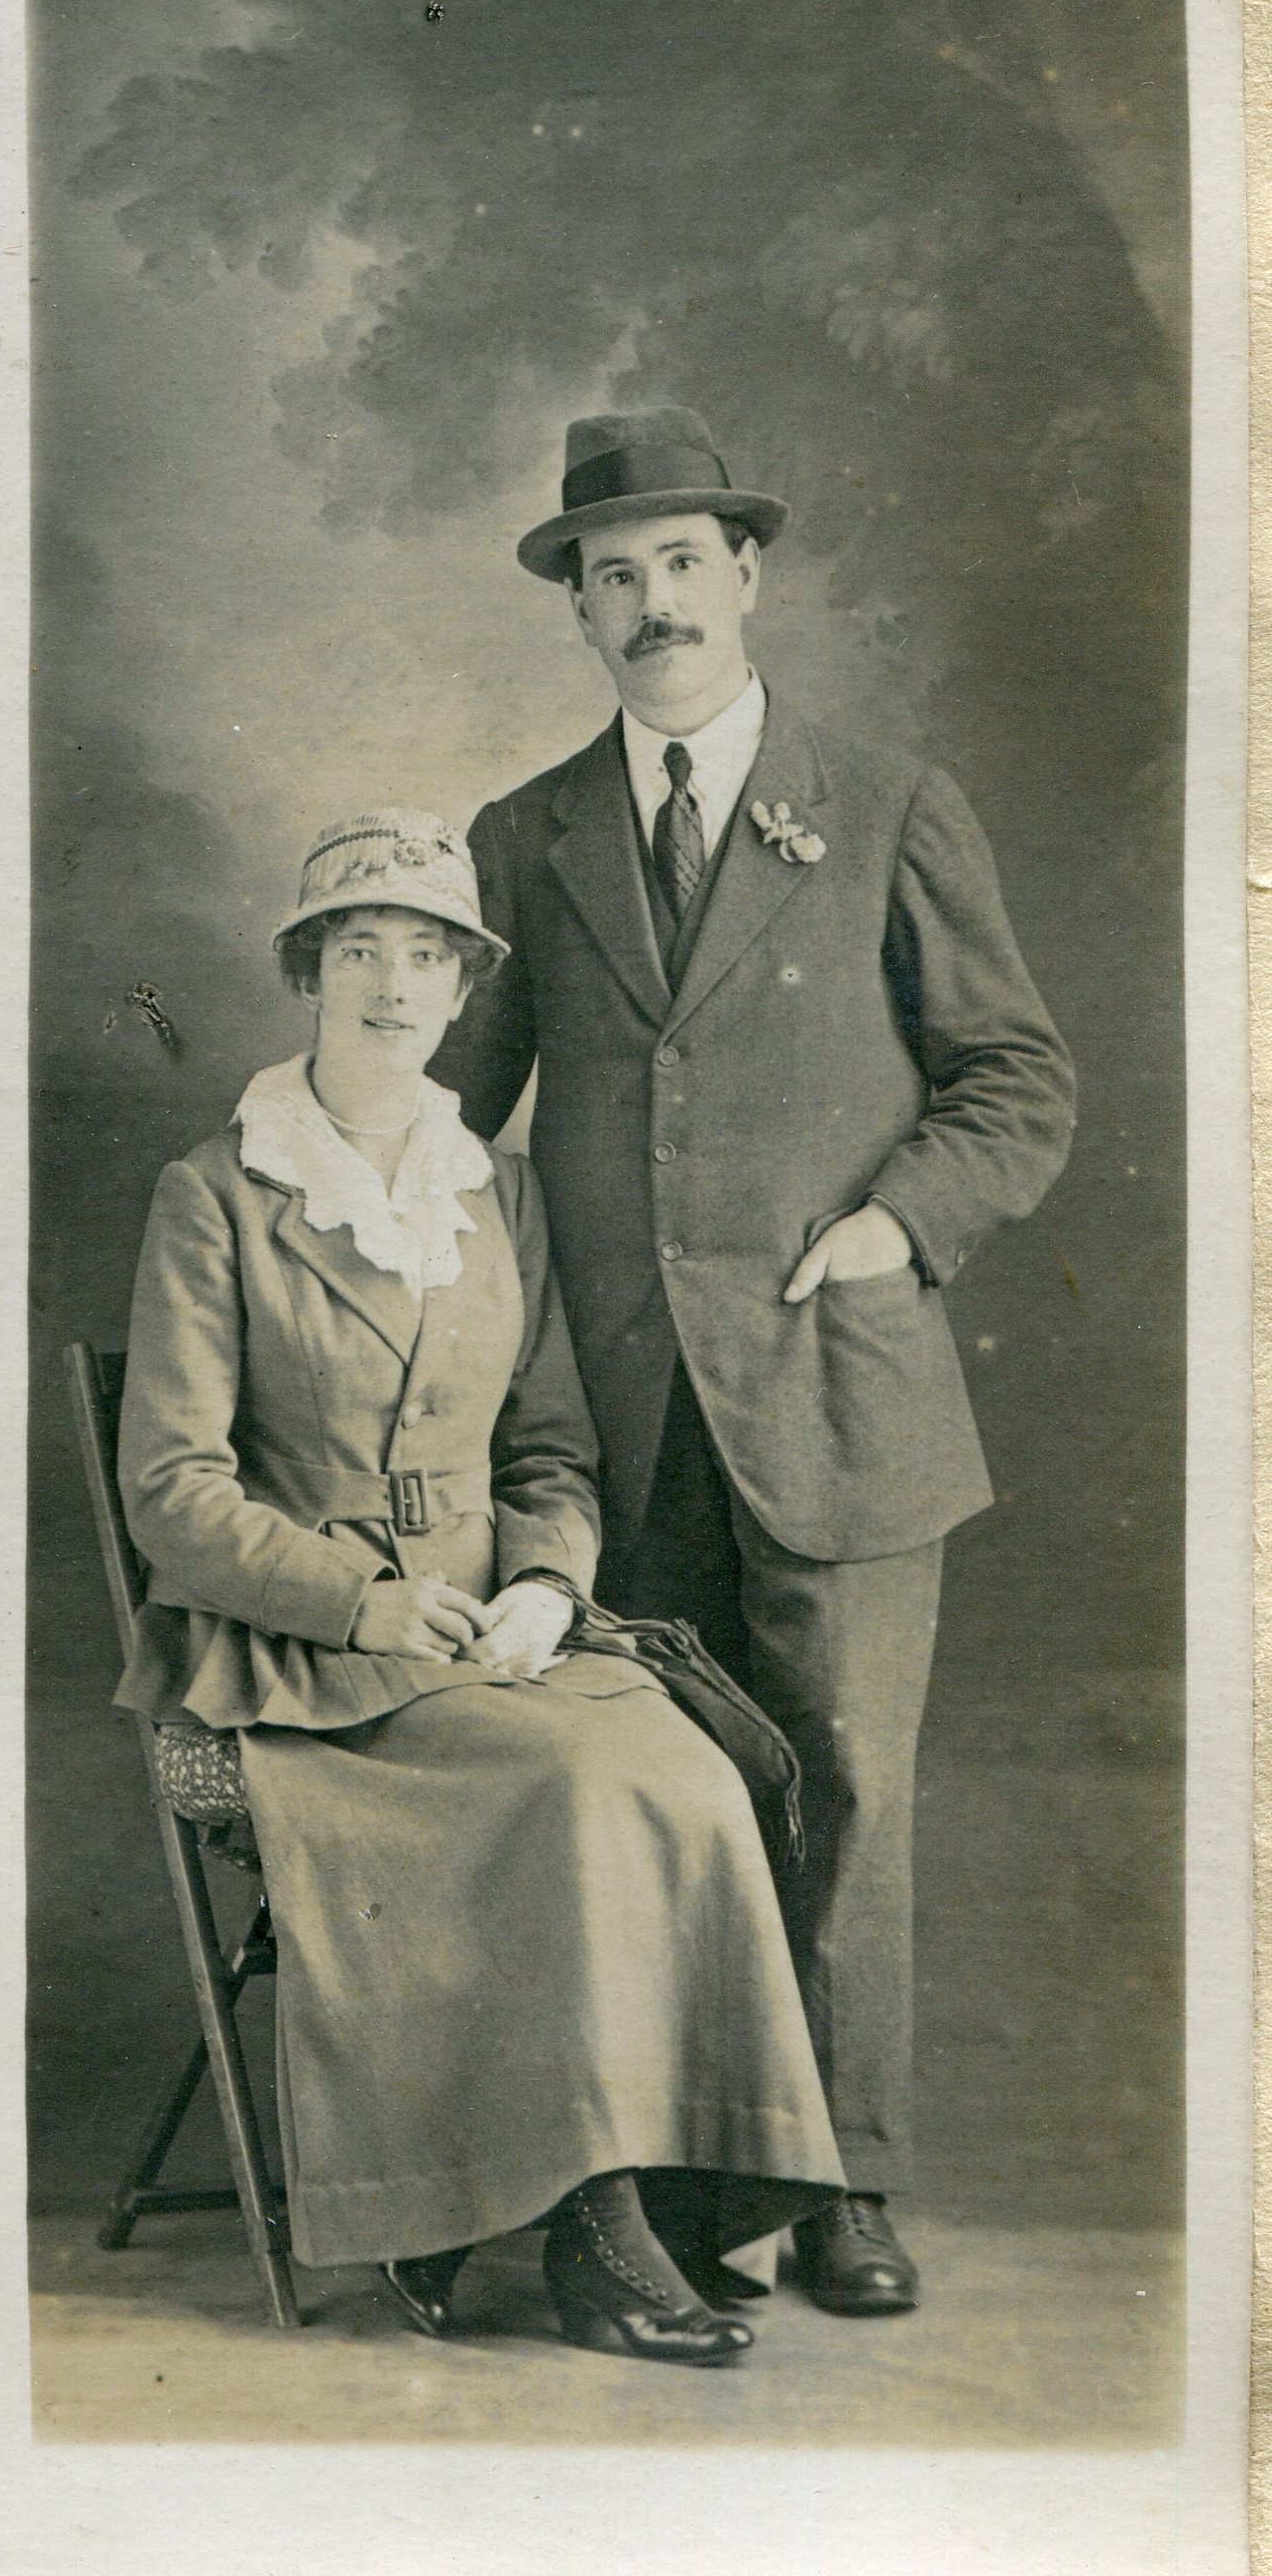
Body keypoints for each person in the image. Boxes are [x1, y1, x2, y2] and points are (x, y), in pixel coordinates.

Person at [432, 408, 1078, 2316]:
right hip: (620, 1425)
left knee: (852, 1784)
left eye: (680, 565)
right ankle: (661, 2188)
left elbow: (1017, 1079)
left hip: (844, 1392)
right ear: (580, 613)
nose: (651, 607)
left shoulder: (884, 800)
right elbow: (449, 1111)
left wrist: (899, 1222)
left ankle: (847, 2185)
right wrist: (272, 1137)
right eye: (611, 578)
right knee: (662, 1797)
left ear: (747, 576)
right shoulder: (523, 837)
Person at [115, 807, 848, 2368]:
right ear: (310, 974)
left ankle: (666, 2188)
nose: (394, 985)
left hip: (492, 1639)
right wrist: (363, 1603)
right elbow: (173, 1496)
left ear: (462, 991)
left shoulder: (495, 1194)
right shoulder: (218, 1192)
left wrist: (542, 1584)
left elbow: (556, 1454)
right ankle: (586, 2234)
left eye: (428, 956)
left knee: (695, 1772)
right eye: (361, 951)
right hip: (297, 1661)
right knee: (580, 1782)